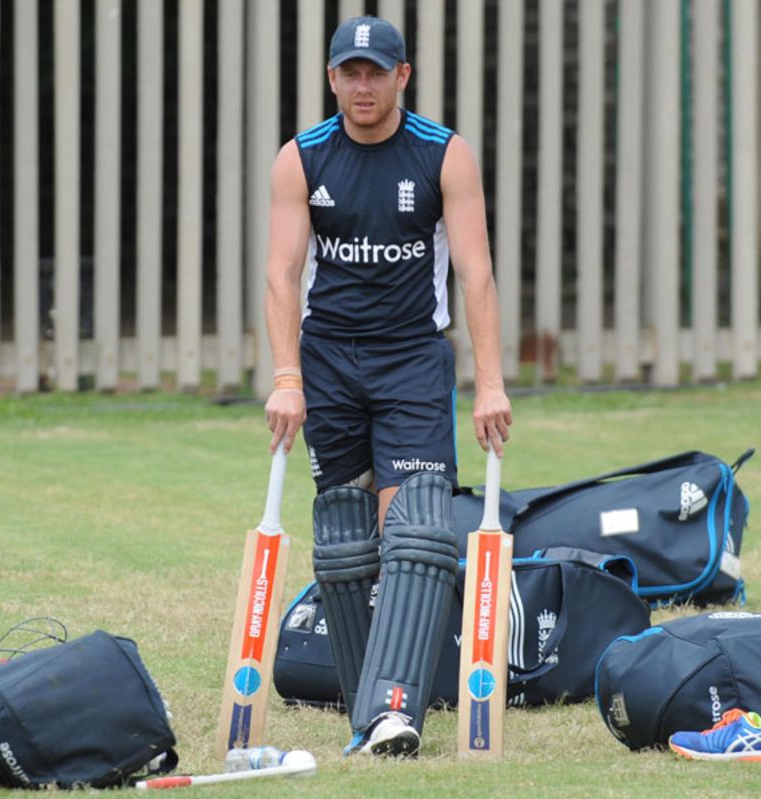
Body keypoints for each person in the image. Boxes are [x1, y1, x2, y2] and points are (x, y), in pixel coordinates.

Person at [263, 17, 512, 757]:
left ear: (403, 75)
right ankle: (366, 700)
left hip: (411, 356)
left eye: (377, 72)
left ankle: (393, 709)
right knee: (345, 541)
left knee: (419, 528)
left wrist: (490, 384)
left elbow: (476, 272)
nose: (362, 86)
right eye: (350, 73)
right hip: (328, 357)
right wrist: (286, 378)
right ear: (332, 77)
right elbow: (281, 274)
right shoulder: (302, 157)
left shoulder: (442, 153)